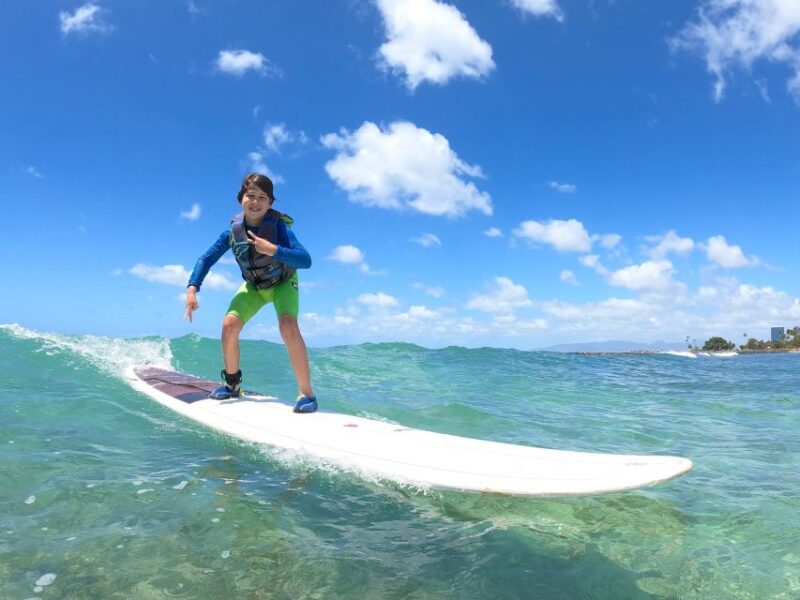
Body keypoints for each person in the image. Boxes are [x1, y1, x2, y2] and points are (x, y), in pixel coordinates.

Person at [183, 173, 317, 413]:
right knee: (229, 325)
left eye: (262, 197)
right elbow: (206, 258)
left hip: (282, 283)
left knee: (288, 325)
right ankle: (232, 384)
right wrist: (193, 288)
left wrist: (274, 250)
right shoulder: (232, 232)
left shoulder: (279, 227)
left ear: (270, 202)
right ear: (241, 199)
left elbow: (305, 260)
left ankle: (306, 395)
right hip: (254, 286)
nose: (255, 202)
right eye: (251, 196)